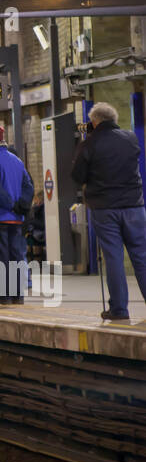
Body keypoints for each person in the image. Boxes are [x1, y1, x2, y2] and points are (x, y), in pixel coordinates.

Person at [71, 101, 146, 323]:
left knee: (113, 258)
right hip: (134, 207)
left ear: (94, 122)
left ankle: (119, 310)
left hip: (105, 209)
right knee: (142, 257)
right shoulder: (131, 138)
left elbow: (77, 176)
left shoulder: (89, 144)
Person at [0, 124, 31, 305]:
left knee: (0, 255)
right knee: (16, 255)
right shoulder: (16, 160)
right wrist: (22, 205)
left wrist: (9, 205)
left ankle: (5, 294)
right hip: (16, 218)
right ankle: (18, 295)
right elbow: (28, 185)